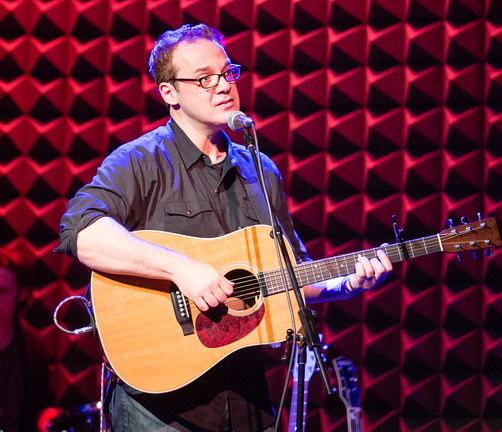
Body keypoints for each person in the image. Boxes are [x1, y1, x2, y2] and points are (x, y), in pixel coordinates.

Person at [56, 23, 392, 432]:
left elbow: (291, 275)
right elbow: (81, 233)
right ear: (169, 93)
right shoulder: (138, 162)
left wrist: (346, 284)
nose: (223, 85)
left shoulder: (260, 170)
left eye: (228, 72)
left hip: (246, 397)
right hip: (159, 406)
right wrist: (180, 268)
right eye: (204, 78)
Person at [0, 247, 59, 432]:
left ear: (22, 293)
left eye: (1, 290)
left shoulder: (33, 344)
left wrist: (49, 417)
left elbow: (44, 405)